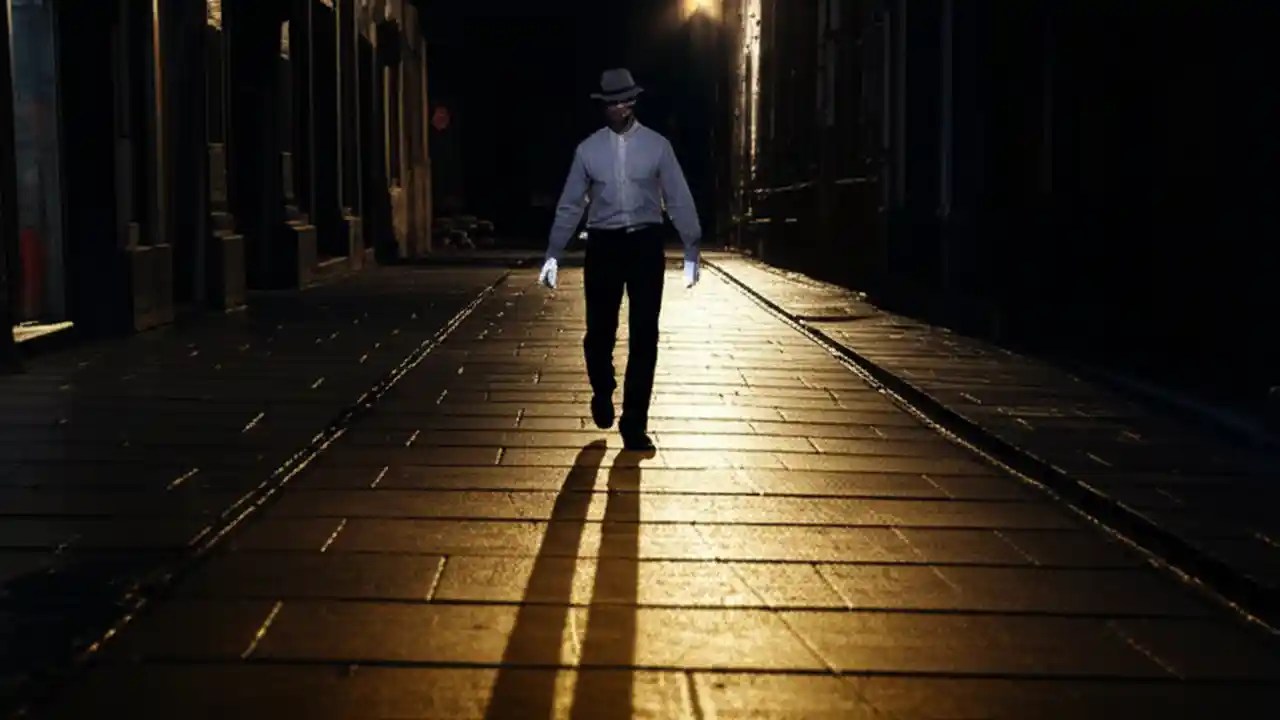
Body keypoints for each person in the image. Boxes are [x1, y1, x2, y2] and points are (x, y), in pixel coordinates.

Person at [539, 68, 701, 451]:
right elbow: (570, 205)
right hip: (604, 245)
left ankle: (634, 423)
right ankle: (602, 386)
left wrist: (691, 245)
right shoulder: (588, 150)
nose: (620, 108)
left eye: (625, 100)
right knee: (599, 332)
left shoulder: (657, 147)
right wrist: (553, 253)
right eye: (612, 102)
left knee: (645, 334)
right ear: (604, 106)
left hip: (645, 243)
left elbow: (677, 195)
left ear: (634, 101)